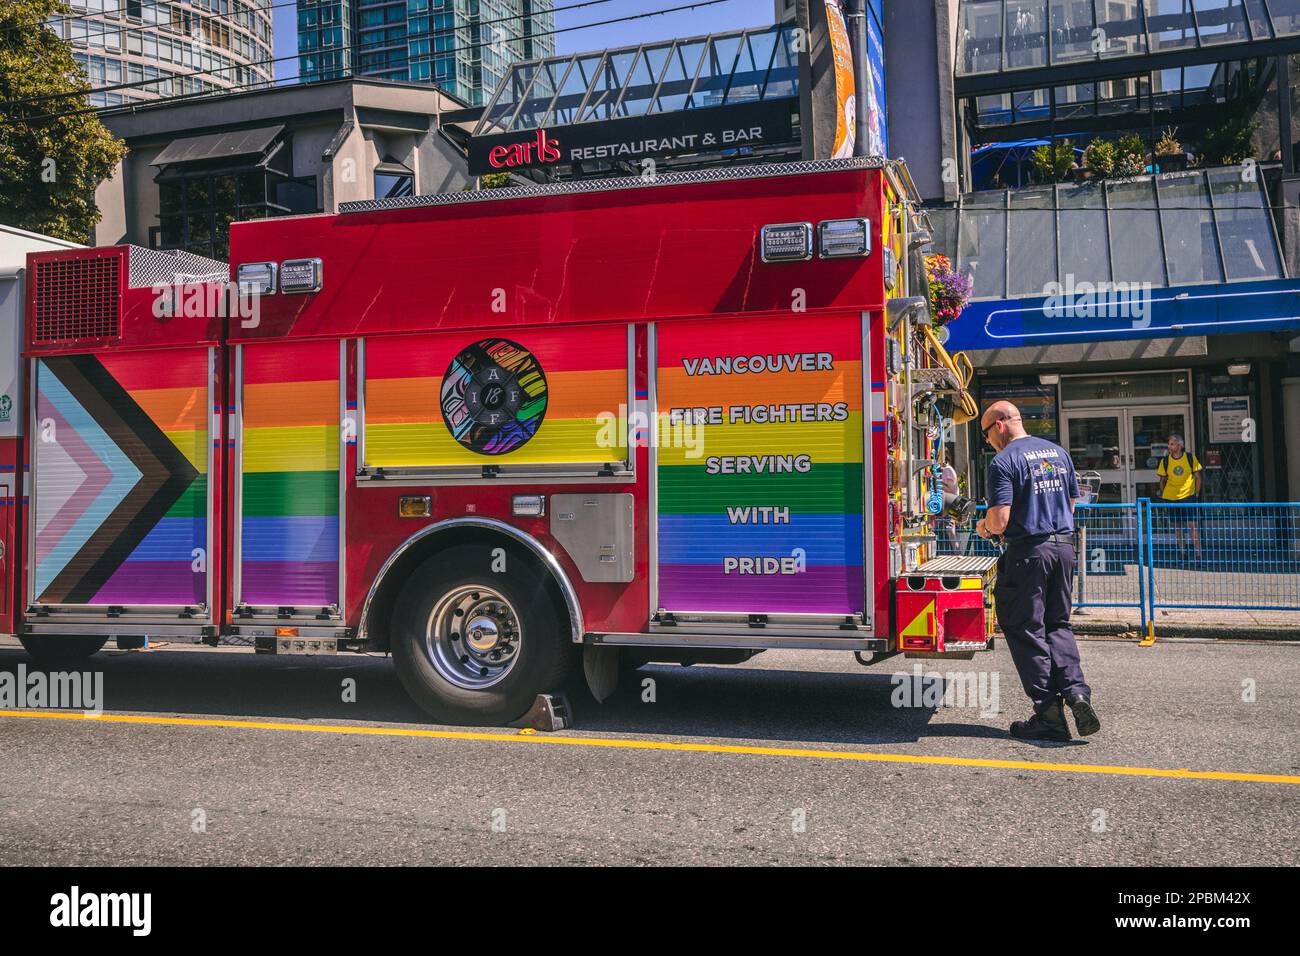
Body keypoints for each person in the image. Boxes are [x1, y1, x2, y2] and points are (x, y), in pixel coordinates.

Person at [976, 400, 1100, 742]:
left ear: (999, 425)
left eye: (986, 433)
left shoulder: (1003, 462)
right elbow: (1071, 505)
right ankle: (1077, 693)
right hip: (1063, 547)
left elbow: (999, 521)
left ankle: (1048, 712)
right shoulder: (1058, 453)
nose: (988, 441)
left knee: (1025, 627)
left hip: (1029, 552)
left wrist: (984, 529)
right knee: (1058, 623)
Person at [1156, 433, 1203, 562]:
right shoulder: (1165, 461)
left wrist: (1196, 493)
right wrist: (1164, 494)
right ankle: (1182, 553)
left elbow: (1198, 477)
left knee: (1192, 525)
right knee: (1177, 526)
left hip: (1188, 497)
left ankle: (1198, 555)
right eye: (1169, 444)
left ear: (1180, 445)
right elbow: (1162, 480)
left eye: (1172, 444)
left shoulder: (1190, 458)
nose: (1169, 446)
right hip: (1171, 498)